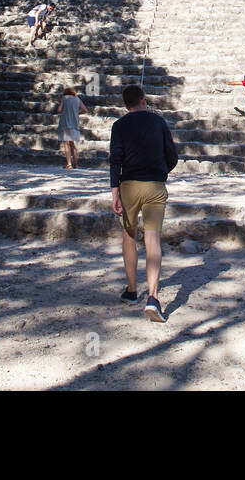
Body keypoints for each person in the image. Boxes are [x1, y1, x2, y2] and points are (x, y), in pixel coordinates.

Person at [109, 84, 178, 322]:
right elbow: (172, 156)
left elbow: (115, 160)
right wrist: (161, 171)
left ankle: (131, 290)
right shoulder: (158, 122)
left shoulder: (118, 126)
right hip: (154, 186)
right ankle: (153, 297)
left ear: (126, 103)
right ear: (143, 99)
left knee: (129, 236)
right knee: (152, 238)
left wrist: (114, 192)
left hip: (128, 185)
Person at [58, 86, 89, 169]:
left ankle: (69, 164)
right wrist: (77, 113)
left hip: (65, 123)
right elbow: (85, 110)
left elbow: (59, 109)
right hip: (75, 123)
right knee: (72, 144)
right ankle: (75, 163)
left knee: (66, 143)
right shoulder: (77, 99)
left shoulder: (64, 98)